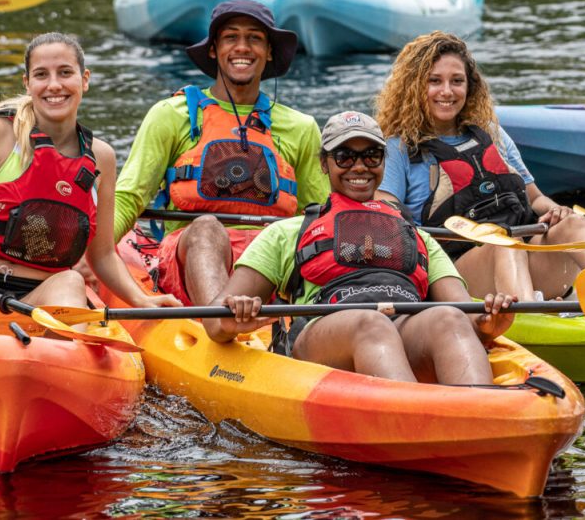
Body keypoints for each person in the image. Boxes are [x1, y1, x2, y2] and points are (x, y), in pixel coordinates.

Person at [204, 111, 515, 385]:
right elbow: (215, 322)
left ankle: (482, 415)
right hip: (326, 339)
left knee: (448, 318)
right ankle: (415, 418)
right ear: (324, 164)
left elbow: (465, 313)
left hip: (403, 328)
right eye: (344, 157)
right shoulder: (287, 233)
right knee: (371, 323)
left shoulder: (417, 236)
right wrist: (234, 317)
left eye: (371, 156)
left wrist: (489, 323)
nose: (359, 167)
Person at [373, 31, 585, 302]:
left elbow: (536, 199)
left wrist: (557, 212)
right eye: (434, 81)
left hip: (526, 259)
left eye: (457, 81)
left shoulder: (490, 133)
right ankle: (530, 318)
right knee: (504, 245)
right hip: (458, 272)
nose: (447, 91)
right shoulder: (398, 148)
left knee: (573, 224)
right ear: (414, 86)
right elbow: (386, 217)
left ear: (469, 86)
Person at [113, 0, 329, 307]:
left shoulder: (301, 127)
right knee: (206, 227)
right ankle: (218, 318)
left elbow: (318, 219)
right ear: (214, 49)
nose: (242, 47)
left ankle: (258, 320)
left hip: (269, 265)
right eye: (231, 37)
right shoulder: (173, 115)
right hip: (193, 260)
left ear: (268, 51)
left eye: (254, 38)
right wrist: (92, 256)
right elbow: (128, 197)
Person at [0, 33, 180, 310]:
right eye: (41, 75)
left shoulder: (101, 158)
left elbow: (102, 255)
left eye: (65, 73)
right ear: (28, 84)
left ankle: (60, 345)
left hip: (40, 297)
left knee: (71, 281)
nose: (54, 85)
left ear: (85, 79)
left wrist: (142, 301)